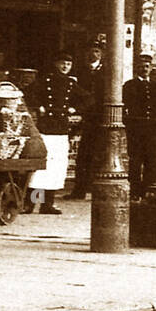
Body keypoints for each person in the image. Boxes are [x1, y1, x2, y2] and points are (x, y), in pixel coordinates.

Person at [26, 51, 86, 215]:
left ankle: (47, 204)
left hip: (61, 129)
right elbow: (29, 93)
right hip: (45, 128)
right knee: (40, 167)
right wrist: (39, 106)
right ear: (56, 64)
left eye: (68, 64)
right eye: (62, 63)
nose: (65, 66)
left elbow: (88, 99)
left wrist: (76, 109)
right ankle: (32, 203)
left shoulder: (71, 84)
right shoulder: (45, 81)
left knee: (56, 167)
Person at [122, 53, 156, 199]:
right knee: (135, 161)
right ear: (136, 69)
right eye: (141, 67)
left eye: (147, 66)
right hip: (136, 131)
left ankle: (148, 191)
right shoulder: (129, 86)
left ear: (151, 68)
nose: (144, 69)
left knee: (151, 161)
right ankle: (134, 191)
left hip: (152, 130)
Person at [69, 42, 103, 200]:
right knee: (82, 155)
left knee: (98, 154)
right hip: (82, 116)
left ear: (101, 54)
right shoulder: (79, 71)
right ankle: (79, 189)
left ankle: (96, 190)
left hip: (99, 117)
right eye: (91, 51)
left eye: (96, 51)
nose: (93, 54)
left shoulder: (107, 72)